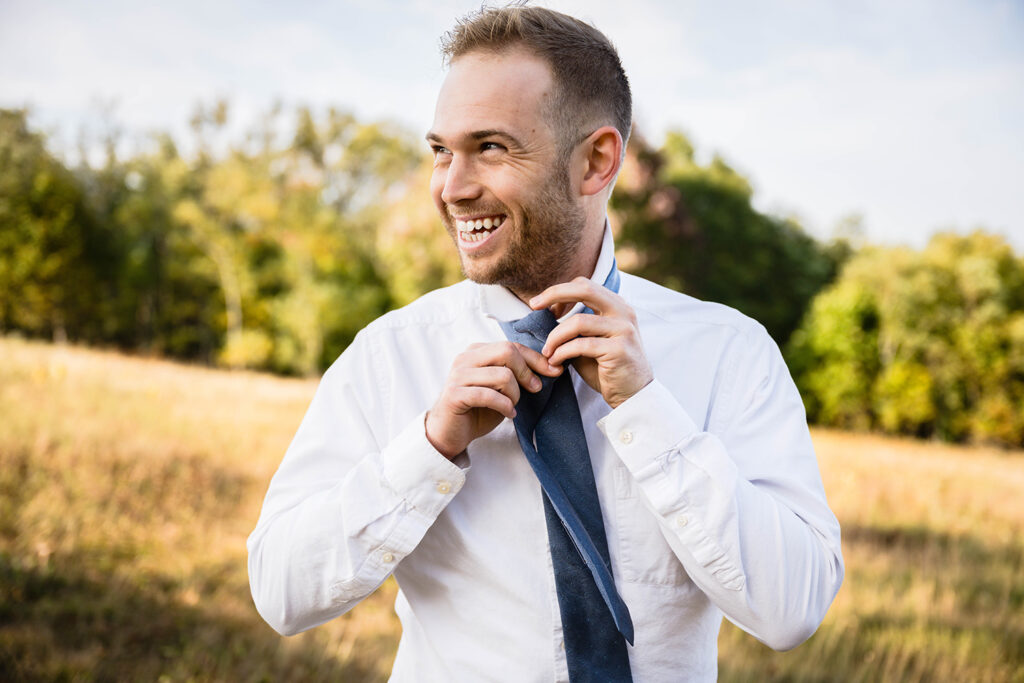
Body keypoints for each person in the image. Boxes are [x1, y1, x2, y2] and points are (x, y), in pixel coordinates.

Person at [247, 5, 844, 681]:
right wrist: (427, 449)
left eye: (491, 148)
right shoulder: (390, 355)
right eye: (442, 151)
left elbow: (793, 608)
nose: (452, 187)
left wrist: (650, 415)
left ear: (596, 160)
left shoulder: (729, 353)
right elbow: (280, 592)